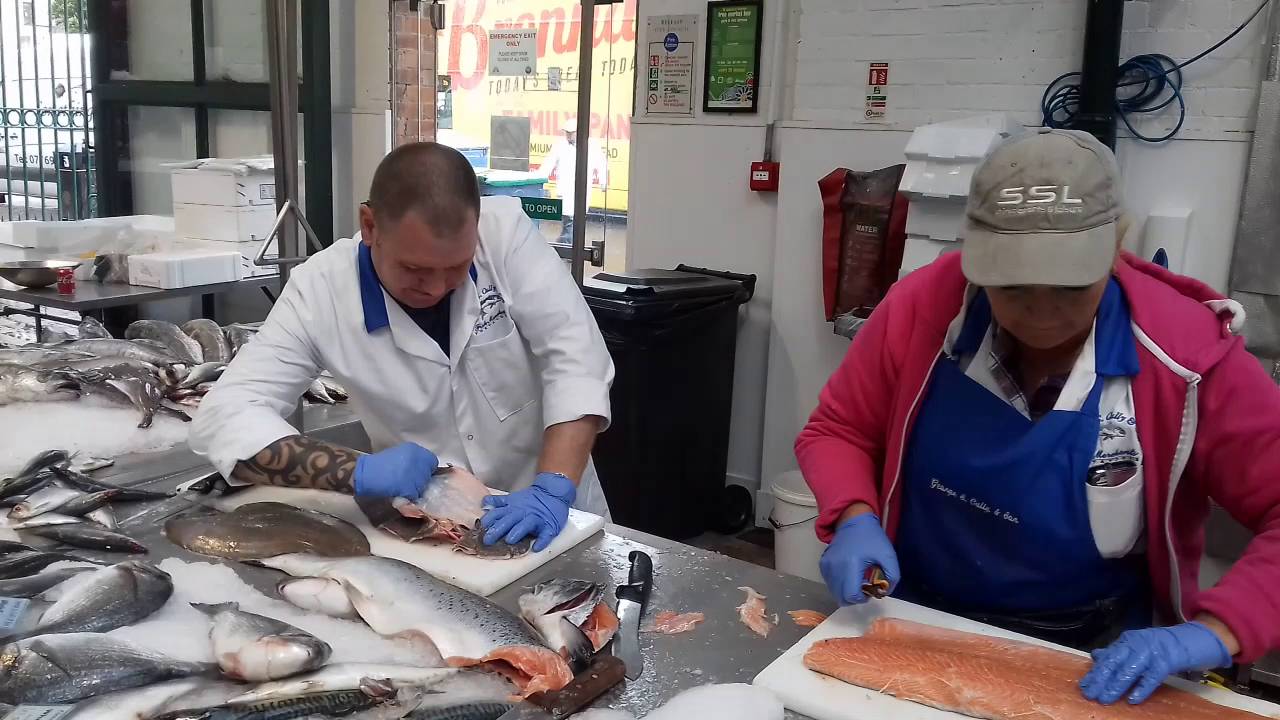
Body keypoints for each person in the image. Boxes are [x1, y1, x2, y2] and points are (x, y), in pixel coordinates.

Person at [796, 128, 1280, 706]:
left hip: (1095, 649)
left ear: (1116, 247)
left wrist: (1218, 631)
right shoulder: (924, 308)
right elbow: (839, 430)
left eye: (1071, 288)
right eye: (1015, 287)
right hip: (912, 616)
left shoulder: (1187, 357)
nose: (1043, 314)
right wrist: (854, 515)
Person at [190, 142, 614, 551]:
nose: (437, 287)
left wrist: (553, 487)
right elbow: (226, 415)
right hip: (431, 523)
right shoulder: (319, 291)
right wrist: (356, 471)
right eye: (415, 269)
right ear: (370, 226)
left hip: (551, 514)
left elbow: (576, 359)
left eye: (457, 267)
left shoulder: (505, 235)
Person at [536, 118, 608, 244]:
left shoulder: (591, 146)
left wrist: (603, 181)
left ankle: (567, 247)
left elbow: (602, 164)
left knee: (574, 221)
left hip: (581, 190)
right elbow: (548, 163)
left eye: (571, 133)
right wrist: (539, 179)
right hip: (565, 189)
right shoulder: (560, 145)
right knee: (568, 220)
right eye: (567, 133)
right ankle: (568, 247)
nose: (568, 136)